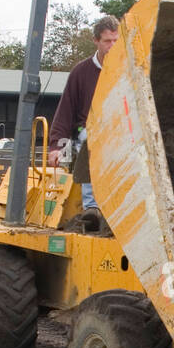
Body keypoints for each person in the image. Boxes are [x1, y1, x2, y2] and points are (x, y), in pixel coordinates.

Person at [48, 16, 119, 231]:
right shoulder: (81, 73)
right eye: (108, 41)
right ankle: (92, 208)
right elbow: (65, 111)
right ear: (96, 41)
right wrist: (56, 147)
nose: (112, 46)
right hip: (88, 131)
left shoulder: (129, 69)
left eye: (116, 41)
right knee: (91, 139)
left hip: (121, 129)